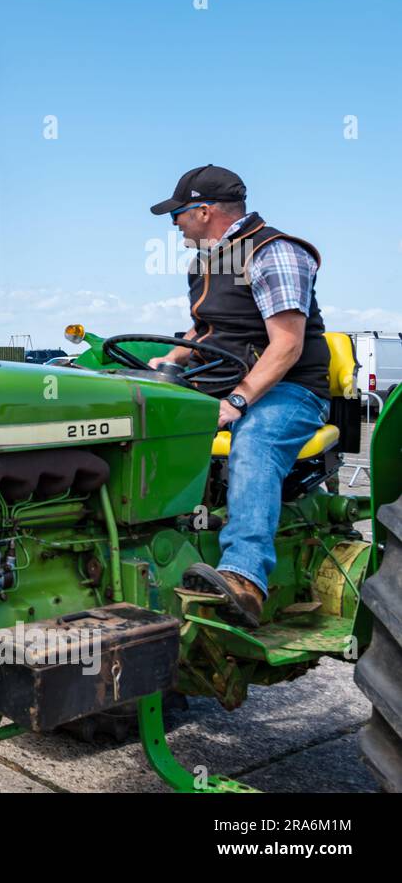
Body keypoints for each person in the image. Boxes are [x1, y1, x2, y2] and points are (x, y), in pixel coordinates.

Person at [148, 165, 329, 628]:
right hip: (226, 382)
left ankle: (245, 576)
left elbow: (286, 345)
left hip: (290, 391)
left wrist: (239, 402)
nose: (175, 226)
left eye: (179, 215)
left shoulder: (274, 253)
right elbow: (207, 328)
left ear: (204, 211)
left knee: (255, 439)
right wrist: (169, 363)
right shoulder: (210, 260)